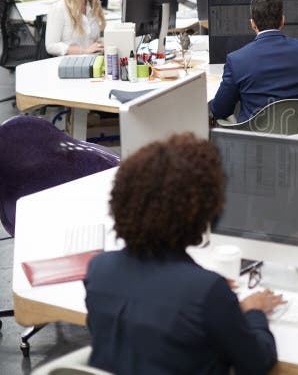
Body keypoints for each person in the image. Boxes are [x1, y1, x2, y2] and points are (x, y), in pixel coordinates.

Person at [84, 133, 282, 375]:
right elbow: (257, 363)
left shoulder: (99, 269)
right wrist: (254, 313)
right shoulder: (207, 291)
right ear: (205, 210)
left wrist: (219, 305)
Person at [210, 0, 298, 123]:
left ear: (252, 24)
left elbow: (220, 110)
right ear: (282, 21)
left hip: (253, 134)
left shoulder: (236, 60)